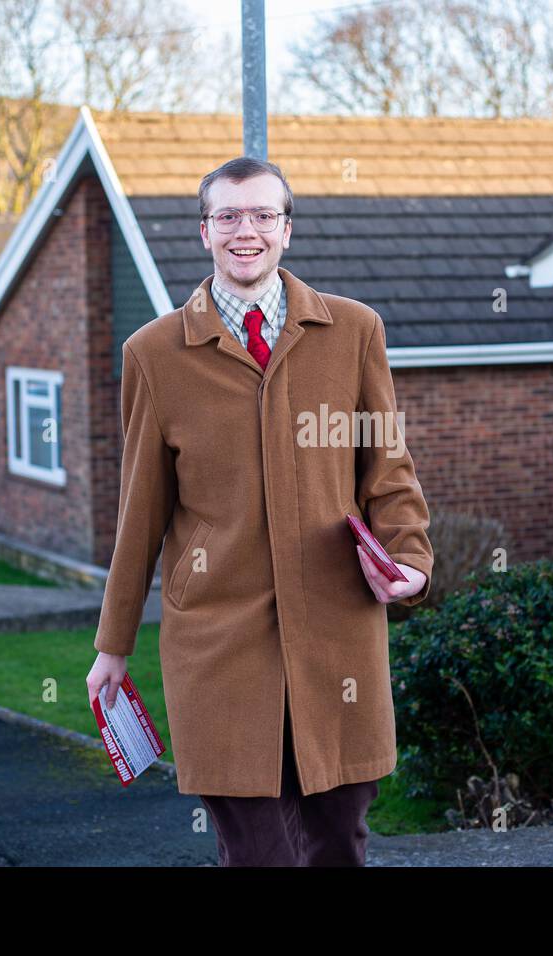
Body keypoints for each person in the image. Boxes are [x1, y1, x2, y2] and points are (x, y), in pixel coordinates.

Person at [85, 156, 434, 867]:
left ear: (287, 229)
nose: (247, 230)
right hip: (216, 645)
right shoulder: (154, 354)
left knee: (339, 841)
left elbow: (388, 473)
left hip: (335, 635)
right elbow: (140, 512)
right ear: (204, 232)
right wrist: (112, 643)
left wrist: (413, 566)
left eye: (263, 215)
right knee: (260, 854)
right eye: (229, 216)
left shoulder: (354, 332)